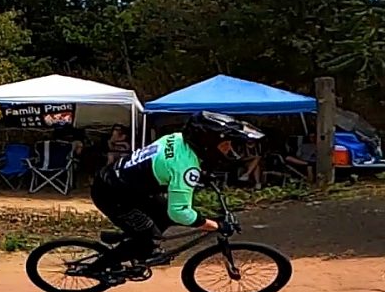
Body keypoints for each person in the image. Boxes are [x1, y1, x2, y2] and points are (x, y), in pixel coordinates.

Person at [90, 111, 262, 277]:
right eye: (226, 144)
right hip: (112, 195)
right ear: (208, 142)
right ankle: (98, 267)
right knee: (147, 237)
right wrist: (215, 225)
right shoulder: (186, 168)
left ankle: (128, 238)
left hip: (118, 182)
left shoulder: (177, 138)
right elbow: (179, 212)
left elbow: (168, 165)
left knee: (162, 215)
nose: (229, 149)